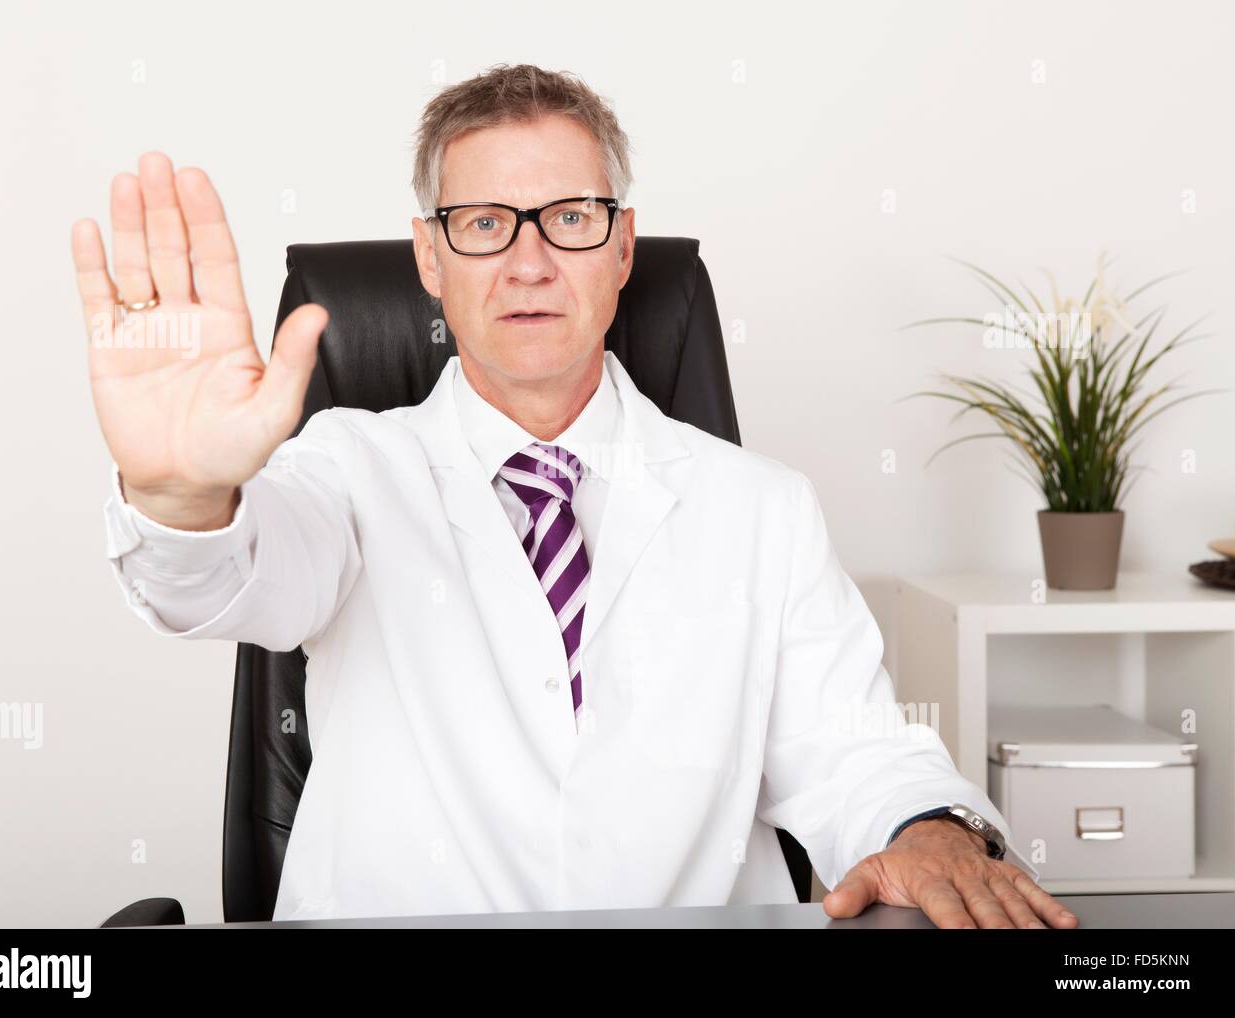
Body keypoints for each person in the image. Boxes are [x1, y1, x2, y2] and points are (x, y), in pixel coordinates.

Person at [71, 63, 1076, 929]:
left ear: (622, 243)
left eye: (569, 217)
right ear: (429, 256)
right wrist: (176, 491)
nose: (528, 261)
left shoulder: (760, 509)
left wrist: (928, 828)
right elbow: (220, 579)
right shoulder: (345, 468)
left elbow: (853, 754)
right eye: (481, 223)